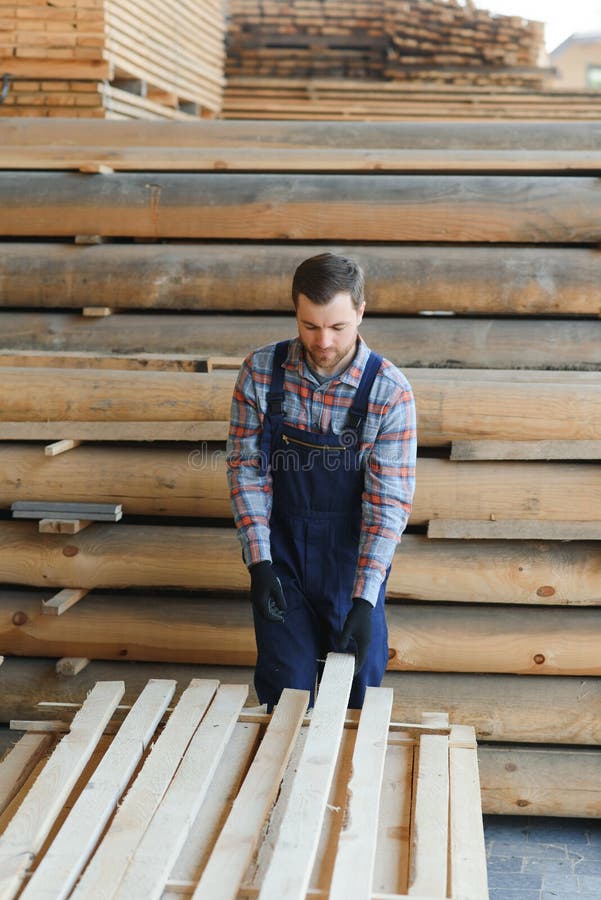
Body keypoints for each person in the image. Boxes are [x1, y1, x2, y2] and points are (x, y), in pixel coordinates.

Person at [226, 252, 416, 709]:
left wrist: (366, 600)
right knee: (285, 692)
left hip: (350, 568)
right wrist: (260, 564)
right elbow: (246, 469)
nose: (324, 341)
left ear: (360, 313)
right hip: (283, 560)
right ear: (296, 310)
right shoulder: (260, 372)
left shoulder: (389, 393)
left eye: (338, 327)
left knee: (354, 698)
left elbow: (387, 505)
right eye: (310, 326)